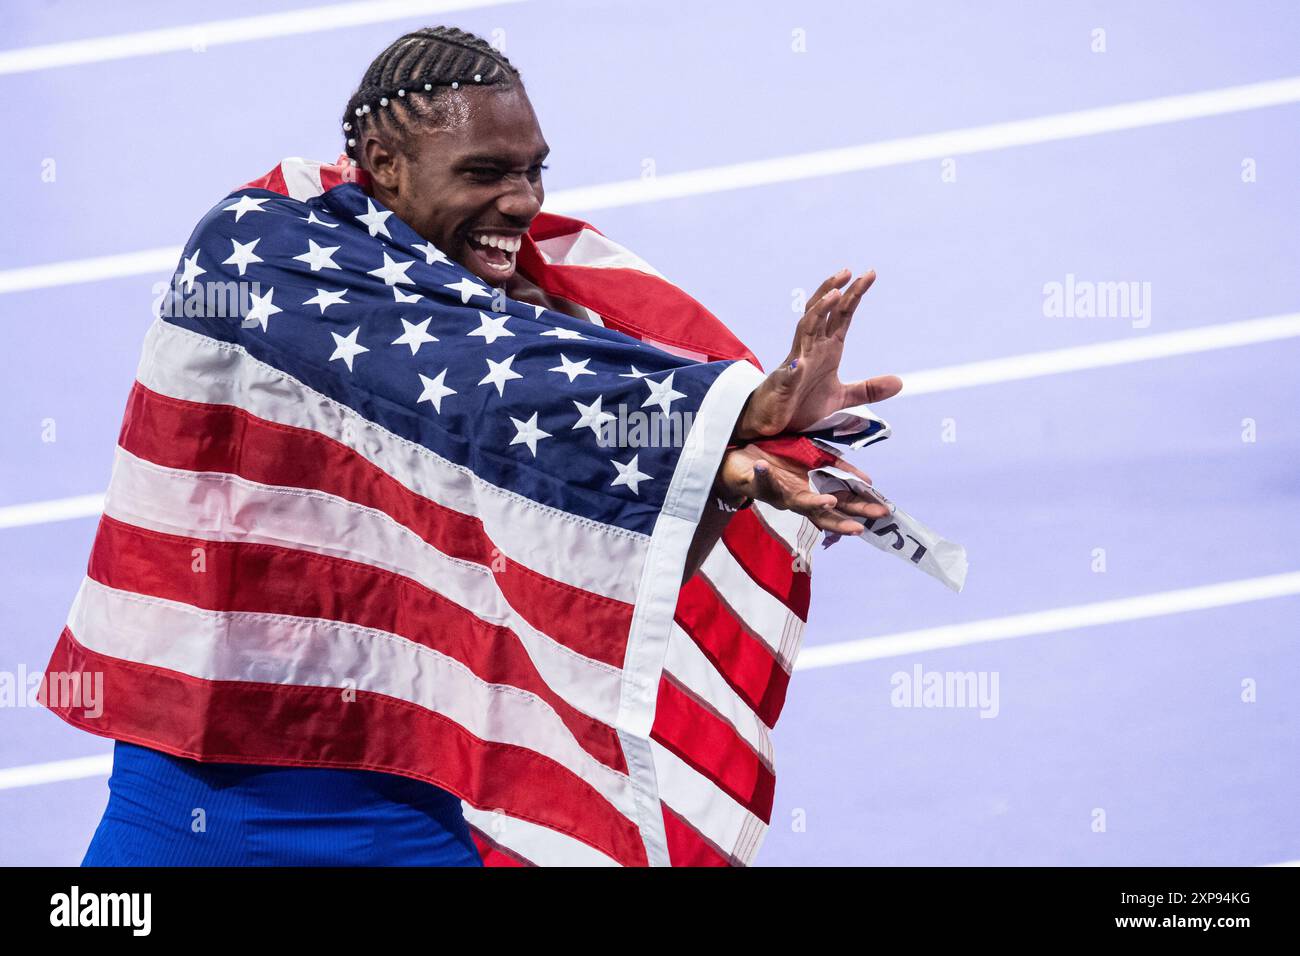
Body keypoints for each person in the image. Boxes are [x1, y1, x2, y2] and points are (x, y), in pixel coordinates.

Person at [67, 26, 901, 866]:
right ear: (384, 162)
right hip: (188, 813)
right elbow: (443, 366)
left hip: (404, 814)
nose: (525, 200)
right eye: (485, 172)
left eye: (534, 169)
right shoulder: (259, 251)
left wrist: (721, 478)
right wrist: (734, 411)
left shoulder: (536, 336)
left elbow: (598, 569)